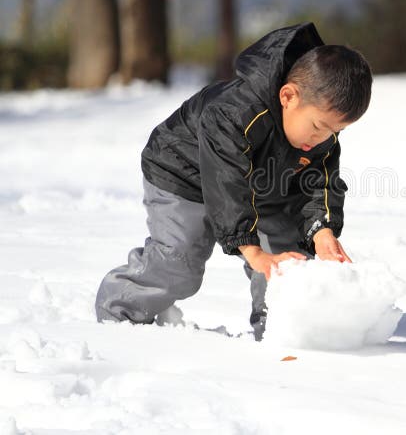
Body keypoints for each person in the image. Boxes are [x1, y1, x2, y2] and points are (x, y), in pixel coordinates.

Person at [95, 22, 372, 340]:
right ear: (288, 96)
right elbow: (225, 180)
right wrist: (252, 251)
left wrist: (321, 230)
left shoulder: (317, 137)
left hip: (262, 183)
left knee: (288, 261)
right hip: (184, 174)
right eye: (319, 126)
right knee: (180, 265)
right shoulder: (233, 113)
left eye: (335, 131)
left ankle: (281, 327)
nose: (324, 138)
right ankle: (118, 312)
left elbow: (321, 183)